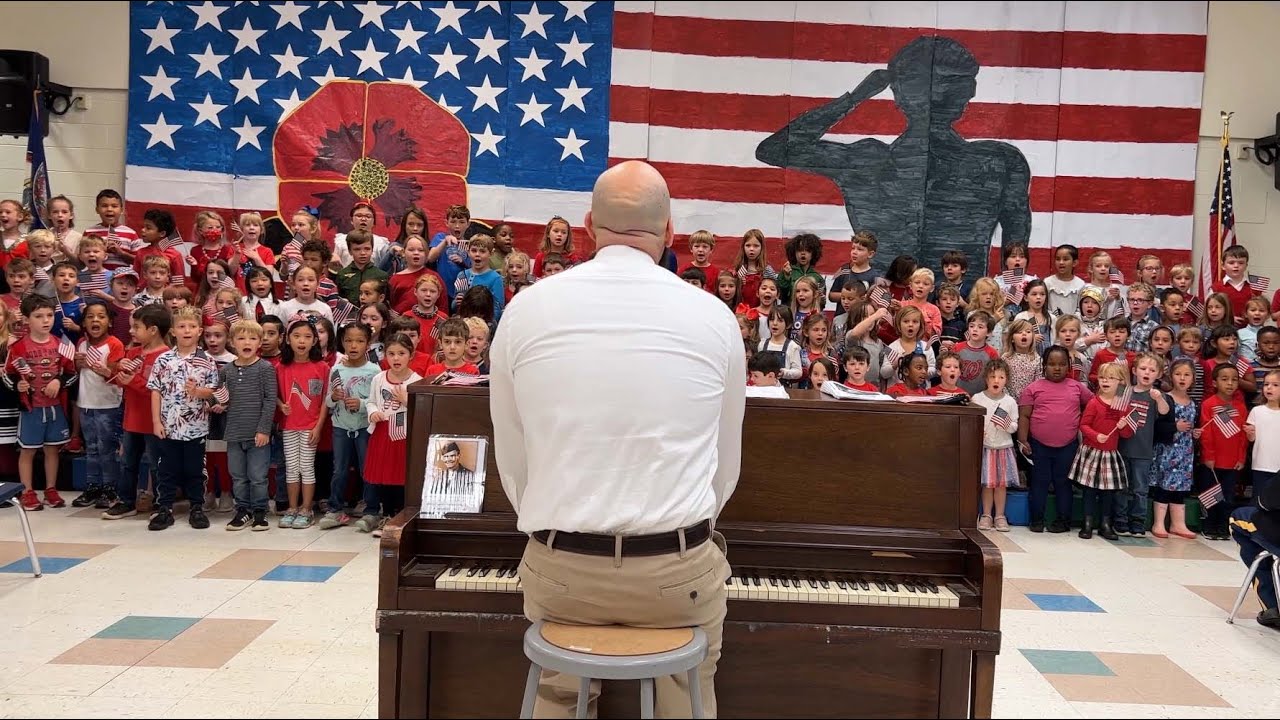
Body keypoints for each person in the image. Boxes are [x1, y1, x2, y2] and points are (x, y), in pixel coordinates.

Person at [490, 160, 744, 718]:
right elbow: (724, 468)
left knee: (560, 689)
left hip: (562, 567)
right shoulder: (714, 315)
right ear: (671, 233)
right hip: (676, 573)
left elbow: (513, 458)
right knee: (687, 688)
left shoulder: (525, 309)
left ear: (586, 227)